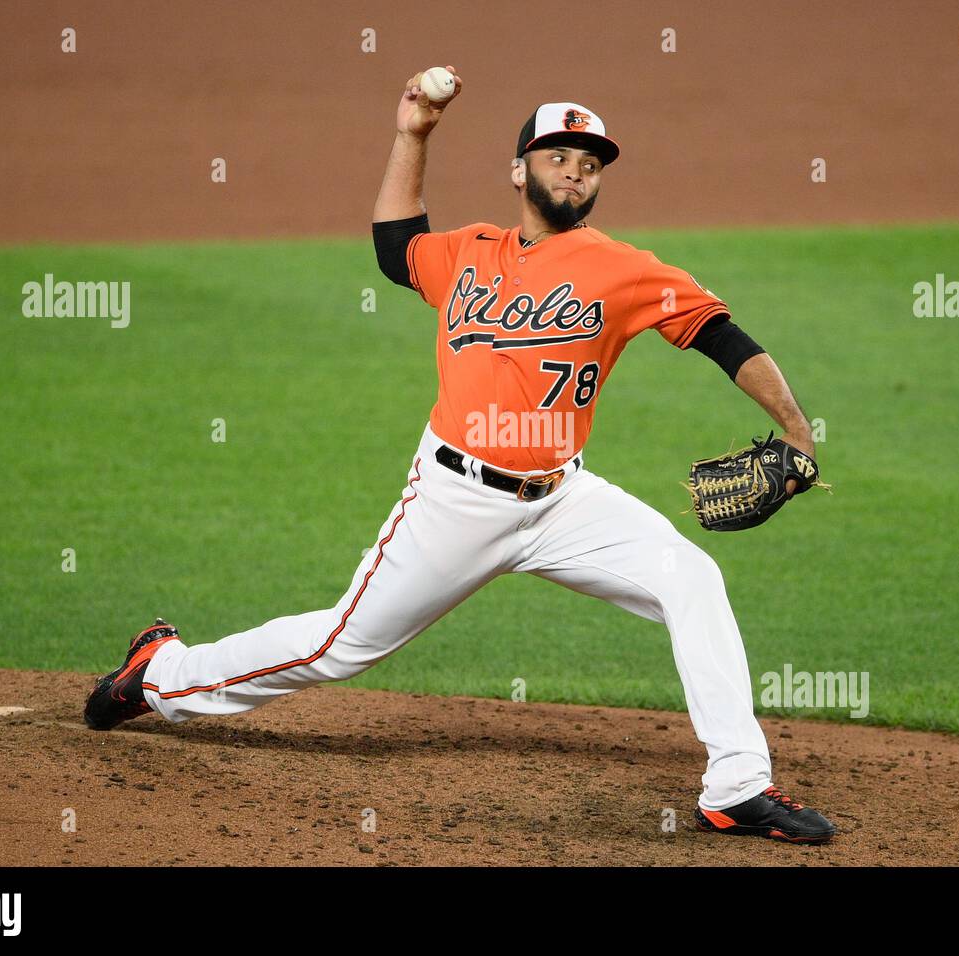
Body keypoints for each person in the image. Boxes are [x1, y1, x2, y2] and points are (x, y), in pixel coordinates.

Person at [83, 66, 837, 845]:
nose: (575, 169)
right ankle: (161, 674)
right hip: (454, 501)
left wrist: (796, 429)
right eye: (556, 154)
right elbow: (394, 248)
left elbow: (721, 335)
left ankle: (736, 786)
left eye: (589, 160)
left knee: (693, 579)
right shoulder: (469, 252)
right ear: (520, 171)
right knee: (336, 647)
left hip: (563, 502)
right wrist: (413, 132)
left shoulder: (624, 269)